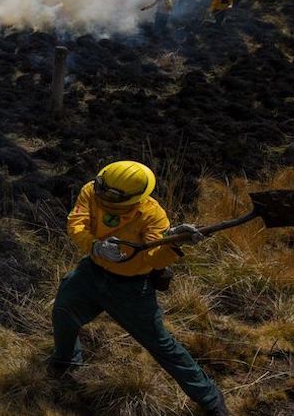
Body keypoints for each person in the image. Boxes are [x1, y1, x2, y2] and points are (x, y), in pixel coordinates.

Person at [49, 161, 229, 416]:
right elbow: (76, 223)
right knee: (64, 312)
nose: (104, 198)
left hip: (131, 289)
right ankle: (66, 358)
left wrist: (172, 242)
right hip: (91, 273)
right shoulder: (92, 190)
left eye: (113, 198)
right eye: (104, 192)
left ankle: (209, 397)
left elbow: (154, 258)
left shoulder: (152, 215)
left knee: (161, 344)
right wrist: (95, 245)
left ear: (134, 197)